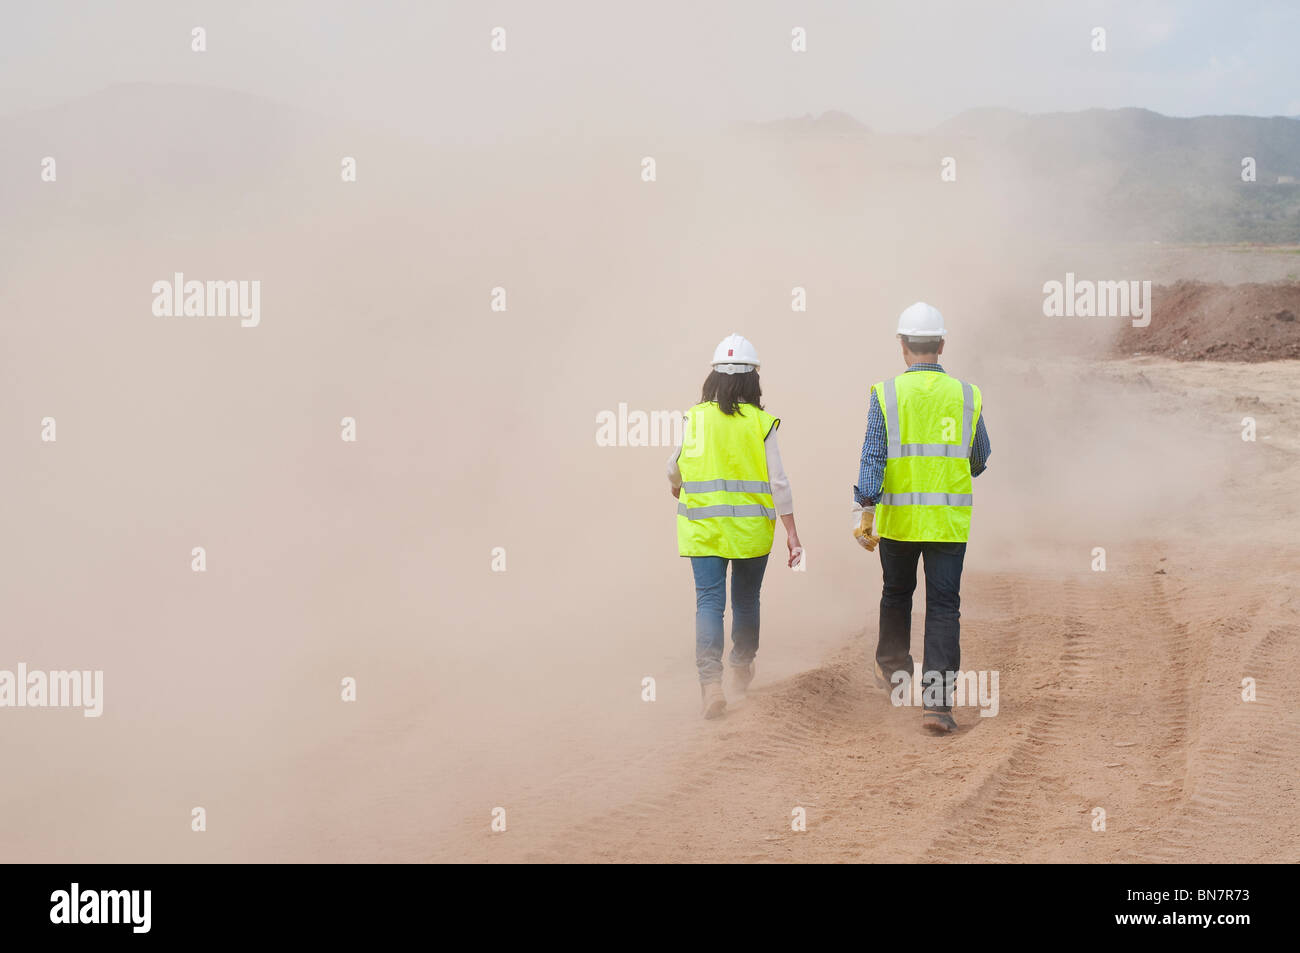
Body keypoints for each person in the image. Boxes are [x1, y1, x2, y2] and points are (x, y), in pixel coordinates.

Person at [852, 303, 991, 734]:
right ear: (942, 344)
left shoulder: (887, 394)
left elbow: (873, 456)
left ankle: (894, 675)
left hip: (899, 522)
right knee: (944, 606)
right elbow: (979, 458)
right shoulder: (966, 395)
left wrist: (865, 510)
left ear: (902, 345)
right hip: (948, 523)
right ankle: (938, 706)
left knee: (897, 593)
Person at [668, 334, 802, 719]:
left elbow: (671, 466)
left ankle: (711, 684)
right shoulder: (761, 423)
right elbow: (779, 482)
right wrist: (792, 534)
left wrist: (676, 487)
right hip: (751, 533)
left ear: (714, 378)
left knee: (709, 602)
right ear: (752, 380)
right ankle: (742, 668)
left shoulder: (695, 418)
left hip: (702, 529)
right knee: (745, 600)